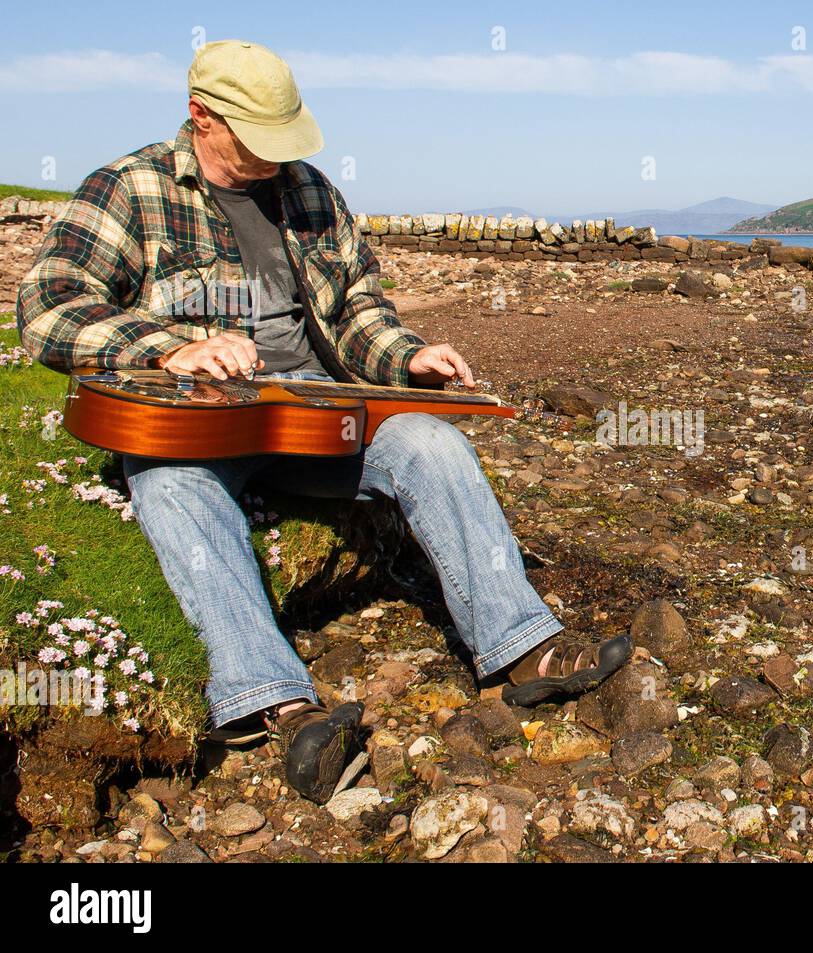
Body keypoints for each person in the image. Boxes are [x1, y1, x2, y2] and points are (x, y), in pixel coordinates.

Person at [17, 40, 631, 803]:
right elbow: (47, 308)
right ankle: (278, 703)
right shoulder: (128, 188)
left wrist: (408, 358)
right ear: (199, 117)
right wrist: (173, 346)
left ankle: (524, 648)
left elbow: (357, 309)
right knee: (170, 482)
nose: (278, 158)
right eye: (257, 140)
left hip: (314, 410)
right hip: (201, 424)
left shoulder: (308, 191)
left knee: (429, 439)